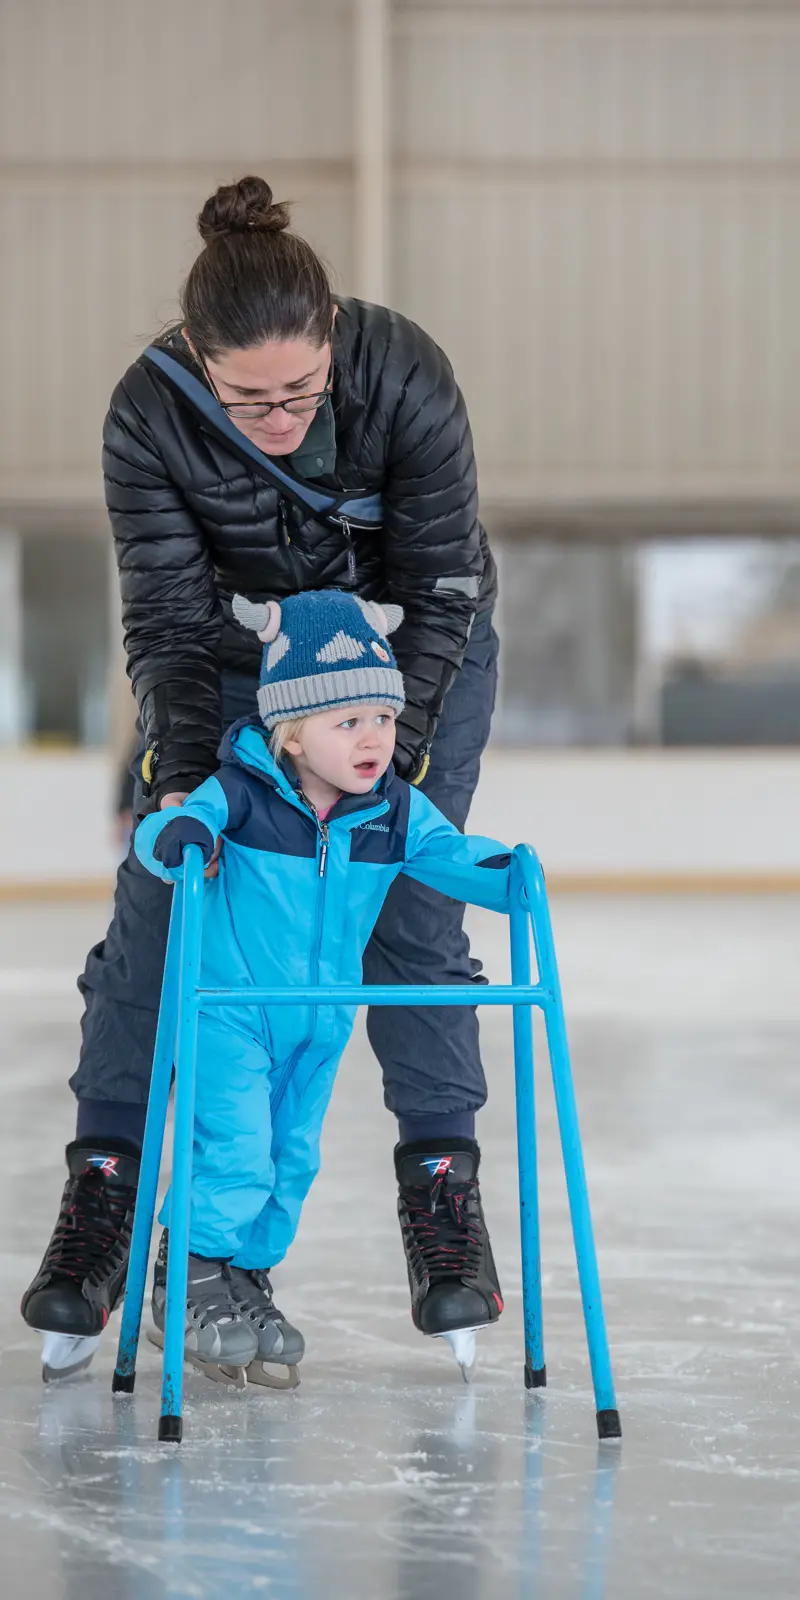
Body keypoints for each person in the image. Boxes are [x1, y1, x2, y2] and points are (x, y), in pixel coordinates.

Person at [21, 174, 501, 1380]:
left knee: (407, 906)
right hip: (235, 668)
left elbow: (442, 586)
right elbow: (172, 627)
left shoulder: (406, 374)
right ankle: (105, 1201)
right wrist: (188, 797)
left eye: (300, 391)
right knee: (160, 913)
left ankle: (441, 1197)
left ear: (334, 338)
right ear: (196, 357)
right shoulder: (148, 413)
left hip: (412, 660)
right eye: (249, 399)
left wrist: (393, 767)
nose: (278, 415)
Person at [130, 589, 509, 1385]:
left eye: (383, 717)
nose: (376, 738)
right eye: (350, 723)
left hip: (318, 1025)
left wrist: (506, 874)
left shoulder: (392, 810)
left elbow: (450, 856)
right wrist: (187, 836)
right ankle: (190, 1275)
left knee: (291, 1162)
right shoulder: (241, 796)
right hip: (231, 1014)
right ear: (293, 733)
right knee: (234, 1152)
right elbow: (166, 834)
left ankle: (244, 1277)